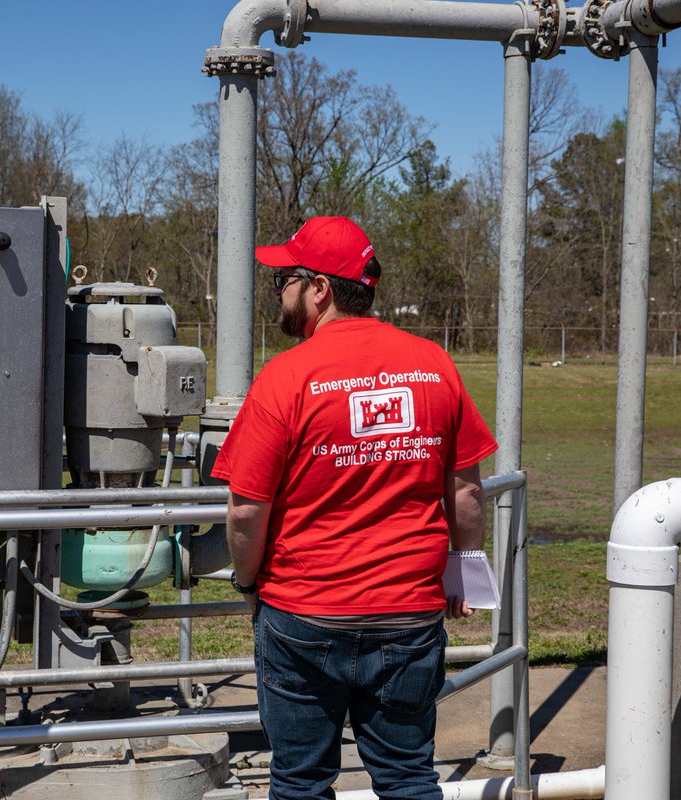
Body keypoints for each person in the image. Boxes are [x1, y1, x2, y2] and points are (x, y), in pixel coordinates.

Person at [210, 216, 498, 800]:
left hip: (302, 615)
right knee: (408, 777)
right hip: (409, 616)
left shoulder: (285, 377)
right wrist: (464, 565)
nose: (279, 293)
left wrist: (247, 584)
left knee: (300, 781)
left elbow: (245, 512)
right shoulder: (432, 364)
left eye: (283, 280)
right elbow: (466, 490)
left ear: (319, 289)